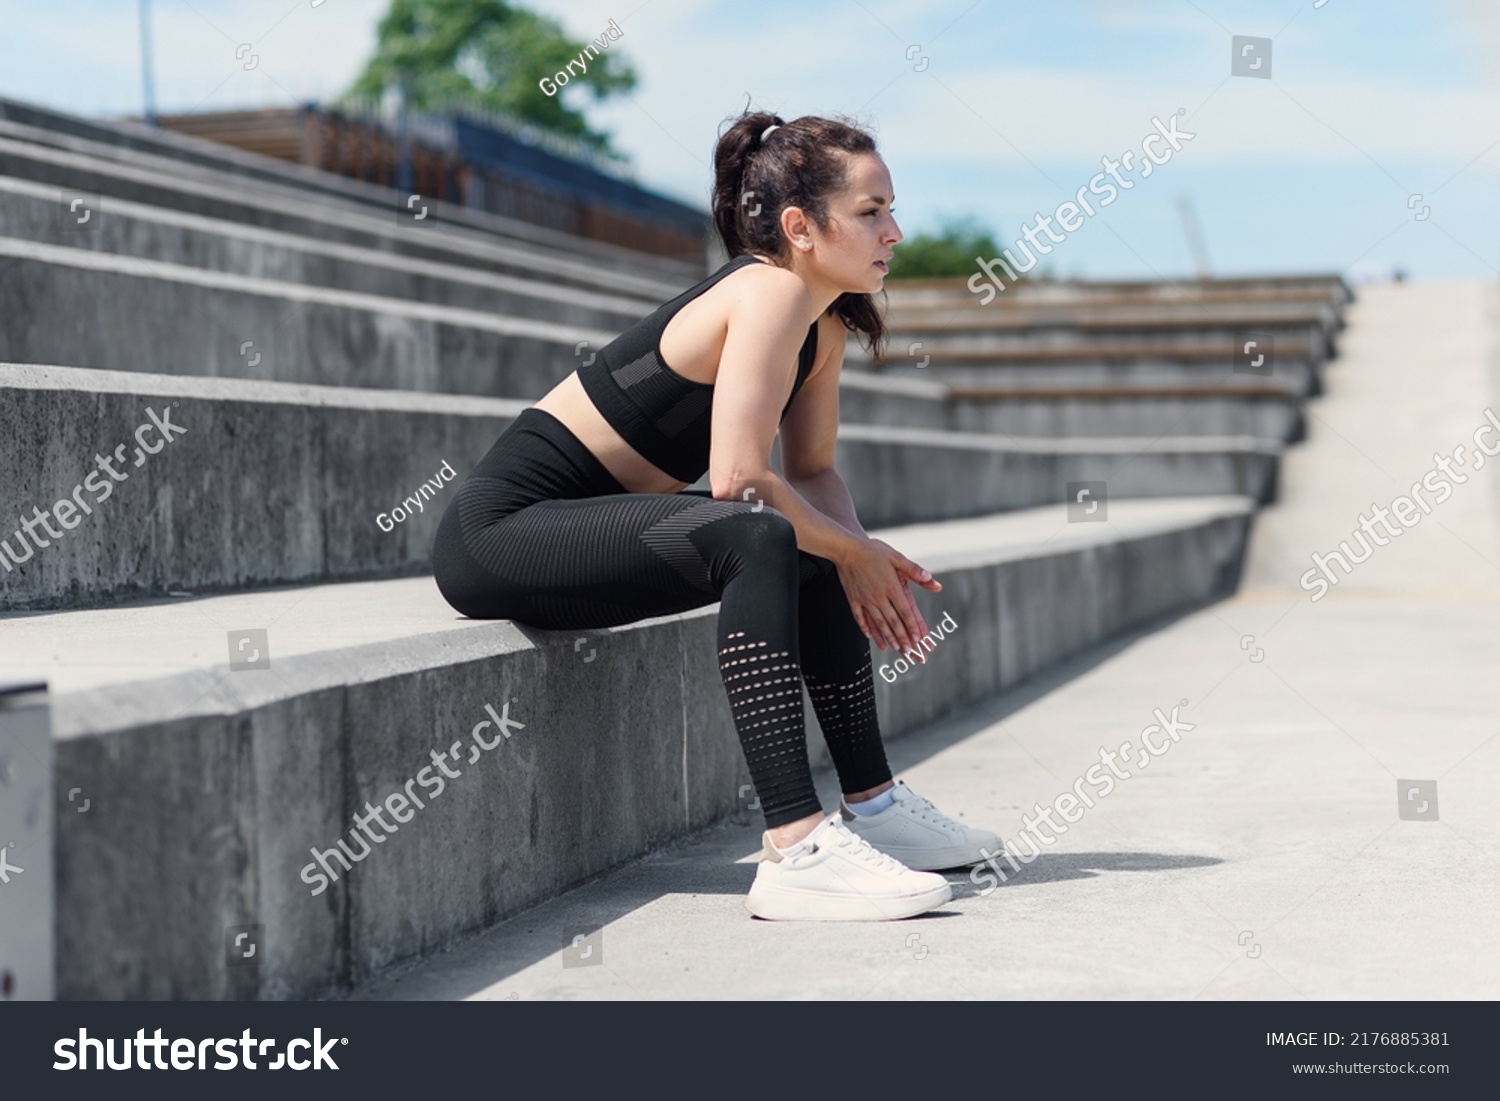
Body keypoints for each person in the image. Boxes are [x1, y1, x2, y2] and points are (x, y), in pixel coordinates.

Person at [432, 109, 1000, 921]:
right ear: (800, 226)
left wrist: (859, 551)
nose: (895, 231)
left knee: (810, 540)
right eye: (872, 212)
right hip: (502, 538)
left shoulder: (822, 324)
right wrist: (849, 552)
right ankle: (795, 847)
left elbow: (812, 471)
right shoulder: (766, 290)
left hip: (600, 533)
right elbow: (739, 478)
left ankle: (873, 806)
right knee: (766, 531)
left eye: (891, 208)